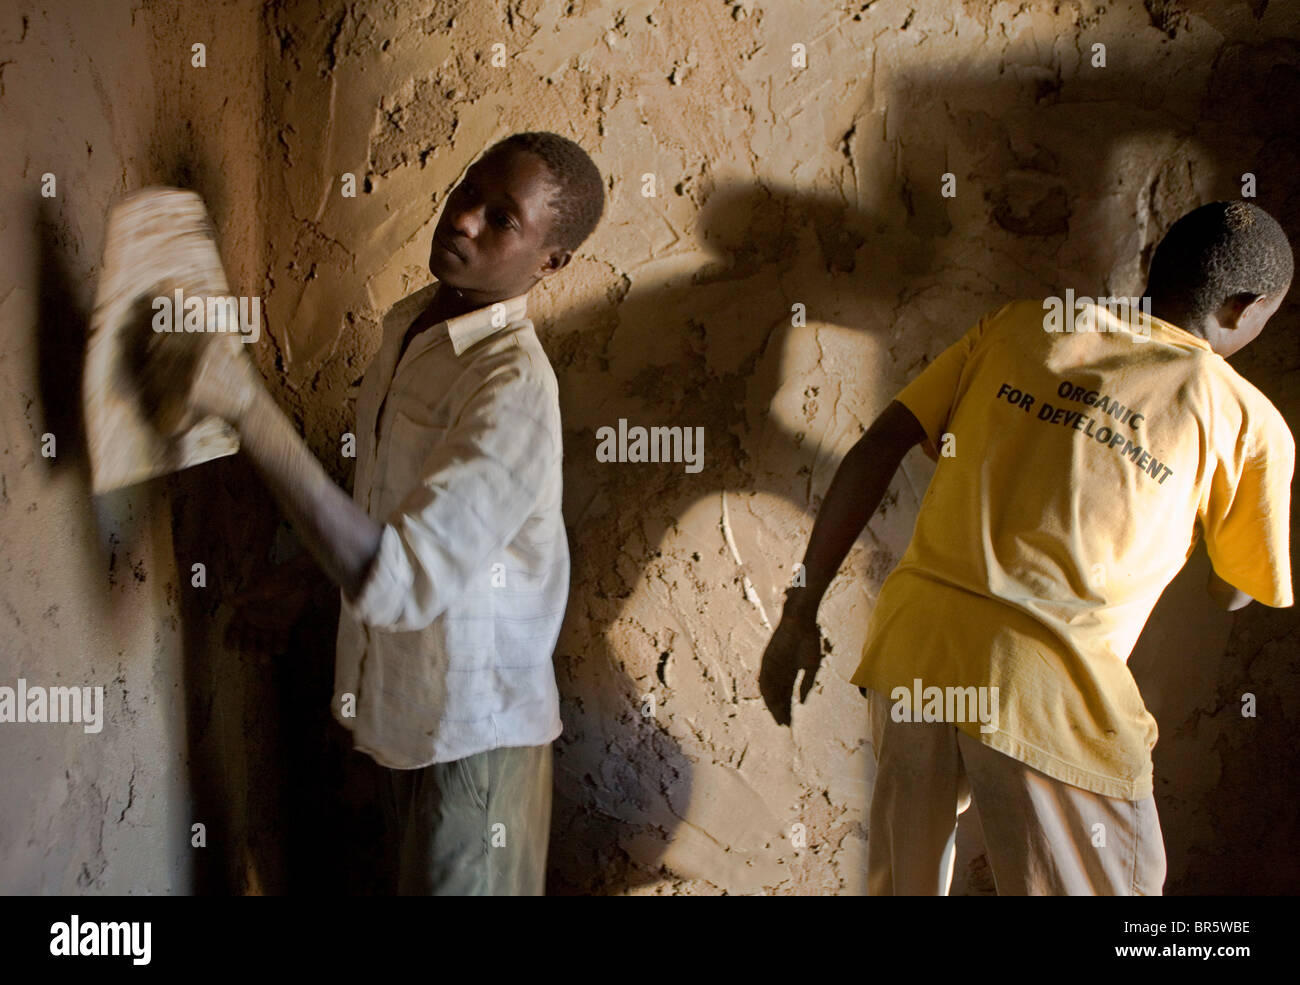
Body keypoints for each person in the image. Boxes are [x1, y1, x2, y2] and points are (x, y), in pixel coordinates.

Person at [759, 200, 1295, 895]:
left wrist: (799, 613)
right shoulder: (1244, 419)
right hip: (1049, 685)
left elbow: (878, 446)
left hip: (915, 650)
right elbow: (1237, 588)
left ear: (1159, 266)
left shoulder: (1020, 325)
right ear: (1245, 307)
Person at [147, 130, 605, 895]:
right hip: (403, 720)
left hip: (474, 745)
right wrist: (310, 577)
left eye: (502, 219)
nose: (463, 219)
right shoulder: (412, 323)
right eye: (468, 190)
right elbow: (399, 513)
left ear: (550, 261)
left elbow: (399, 579)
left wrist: (246, 408)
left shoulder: (512, 388)